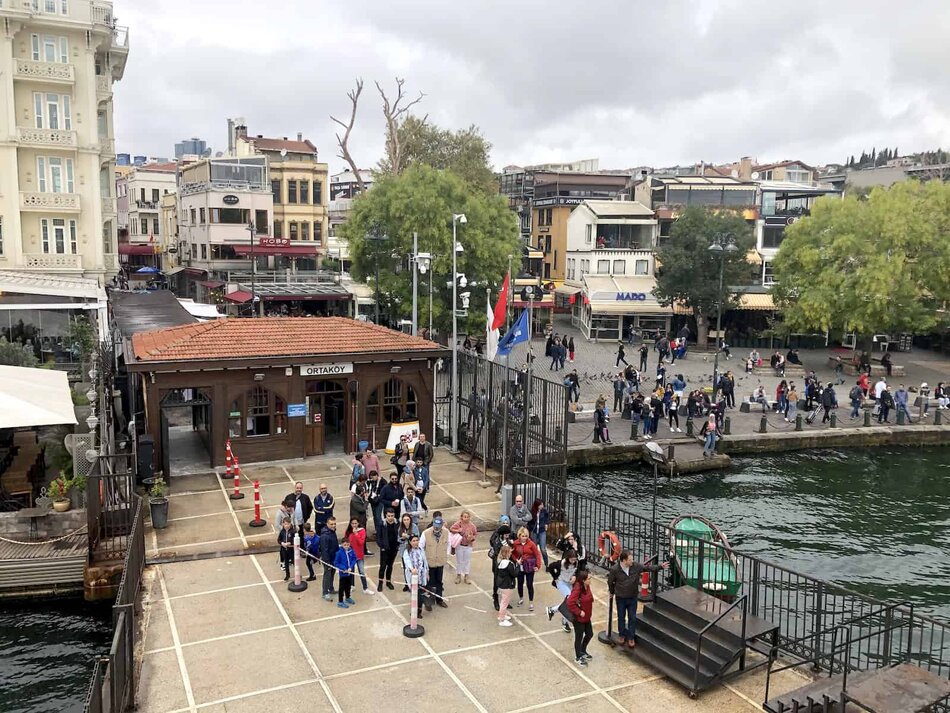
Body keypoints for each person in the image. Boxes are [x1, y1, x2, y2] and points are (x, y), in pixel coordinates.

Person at [608, 550, 669, 649]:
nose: (632, 561)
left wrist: (660, 566)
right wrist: (612, 592)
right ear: (624, 561)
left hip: (632, 597)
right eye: (630, 560)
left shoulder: (635, 566)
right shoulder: (615, 569)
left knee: (632, 618)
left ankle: (631, 637)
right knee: (621, 617)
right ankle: (622, 635)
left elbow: (648, 568)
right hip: (621, 598)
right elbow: (610, 581)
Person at [419, 512, 449, 610]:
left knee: (439, 582)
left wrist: (445, 555)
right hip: (429, 563)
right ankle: (428, 603)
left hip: (440, 562)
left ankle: (439, 599)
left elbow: (448, 545)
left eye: (438, 526)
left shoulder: (446, 532)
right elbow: (420, 547)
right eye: (435, 526)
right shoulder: (426, 533)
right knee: (429, 583)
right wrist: (424, 560)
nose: (436, 528)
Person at [565, 570, 595, 665]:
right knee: (579, 637)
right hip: (579, 618)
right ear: (583, 580)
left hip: (587, 616)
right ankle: (578, 657)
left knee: (589, 634)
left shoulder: (587, 586)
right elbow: (570, 603)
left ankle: (583, 651)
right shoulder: (577, 588)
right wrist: (579, 612)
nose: (590, 580)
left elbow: (588, 596)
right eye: (589, 578)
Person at [511, 526, 543, 611]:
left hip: (529, 566)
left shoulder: (531, 544)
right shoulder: (515, 543)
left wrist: (537, 565)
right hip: (520, 566)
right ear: (519, 536)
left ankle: (531, 602)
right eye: (523, 536)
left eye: (526, 536)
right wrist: (516, 560)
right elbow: (512, 553)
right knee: (520, 583)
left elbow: (537, 555)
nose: (524, 538)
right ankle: (521, 598)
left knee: (529, 584)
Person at [344, 518, 374, 595]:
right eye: (352, 523)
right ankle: (352, 585)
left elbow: (361, 542)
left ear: (358, 523)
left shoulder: (362, 531)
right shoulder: (348, 532)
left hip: (359, 555)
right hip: (351, 555)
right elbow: (345, 542)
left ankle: (365, 588)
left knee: (362, 572)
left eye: (355, 523)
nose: (354, 525)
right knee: (351, 571)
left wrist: (356, 534)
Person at [402, 534, 429, 619]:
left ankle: (419, 611)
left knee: (421, 594)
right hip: (413, 577)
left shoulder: (421, 550)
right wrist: (412, 569)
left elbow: (425, 561)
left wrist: (427, 571)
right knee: (414, 595)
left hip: (421, 576)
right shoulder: (407, 551)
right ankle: (414, 611)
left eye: (417, 540)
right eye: (413, 541)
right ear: (410, 542)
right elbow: (407, 561)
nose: (415, 542)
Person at [489, 516, 514, 610]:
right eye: (506, 534)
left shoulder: (507, 539)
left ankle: (505, 601)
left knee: (506, 583)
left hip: (507, 563)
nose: (508, 535)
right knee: (497, 582)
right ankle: (495, 599)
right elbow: (497, 551)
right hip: (498, 565)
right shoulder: (497, 541)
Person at [493, 544, 518, 627]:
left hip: (501, 585)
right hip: (507, 585)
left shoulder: (500, 562)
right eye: (510, 552)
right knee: (504, 602)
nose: (511, 554)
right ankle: (502, 619)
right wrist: (518, 565)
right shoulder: (509, 564)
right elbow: (514, 574)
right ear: (507, 553)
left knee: (504, 601)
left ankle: (503, 615)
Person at [450, 510, 477, 584]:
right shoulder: (458, 523)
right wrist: (458, 530)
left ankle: (466, 576)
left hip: (468, 546)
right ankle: (458, 575)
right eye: (465, 517)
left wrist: (472, 537)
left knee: (467, 561)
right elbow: (451, 529)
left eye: (468, 517)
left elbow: (475, 534)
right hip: (460, 545)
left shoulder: (472, 525)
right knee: (459, 561)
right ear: (461, 517)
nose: (466, 518)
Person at [376, 509, 400, 591]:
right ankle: (380, 583)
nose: (390, 518)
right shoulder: (381, 524)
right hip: (385, 549)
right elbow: (378, 537)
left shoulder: (397, 523)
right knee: (382, 566)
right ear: (386, 516)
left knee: (390, 566)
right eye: (389, 516)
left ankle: (388, 582)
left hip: (394, 548)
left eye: (392, 516)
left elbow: (399, 534)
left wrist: (398, 545)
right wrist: (382, 546)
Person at [318, 517, 339, 601]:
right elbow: (324, 549)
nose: (333, 525)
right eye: (331, 524)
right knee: (327, 575)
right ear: (327, 524)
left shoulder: (333, 532)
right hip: (328, 560)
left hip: (334, 557)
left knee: (332, 573)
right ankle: (325, 592)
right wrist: (327, 562)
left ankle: (331, 588)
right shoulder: (324, 536)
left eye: (334, 524)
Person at [397, 512, 420, 590]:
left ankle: (416, 583)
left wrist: (408, 536)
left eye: (407, 519)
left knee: (414, 566)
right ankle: (407, 583)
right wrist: (402, 538)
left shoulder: (414, 527)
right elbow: (398, 539)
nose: (406, 521)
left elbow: (417, 537)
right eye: (404, 520)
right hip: (404, 550)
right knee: (406, 568)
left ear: (410, 520)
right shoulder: (400, 528)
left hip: (413, 550)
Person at [333, 537, 357, 608]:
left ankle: (347, 597)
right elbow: (336, 563)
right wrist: (343, 568)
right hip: (343, 574)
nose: (346, 546)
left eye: (348, 545)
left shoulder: (351, 551)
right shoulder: (339, 553)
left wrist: (351, 567)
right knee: (342, 588)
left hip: (349, 573)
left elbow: (354, 559)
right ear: (342, 545)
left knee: (348, 586)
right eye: (345, 545)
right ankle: (340, 601)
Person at [364, 470, 383, 552]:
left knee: (378, 517)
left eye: (373, 477)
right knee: (375, 517)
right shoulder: (370, 482)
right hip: (373, 502)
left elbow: (382, 492)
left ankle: (380, 532)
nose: (372, 479)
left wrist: (378, 497)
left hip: (379, 502)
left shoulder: (382, 481)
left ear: (376, 475)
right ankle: (377, 530)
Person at [528, 498, 550, 567]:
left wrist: (546, 523)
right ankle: (534, 563)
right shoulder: (532, 512)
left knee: (543, 549)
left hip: (542, 531)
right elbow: (530, 522)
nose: (542, 506)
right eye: (541, 505)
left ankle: (546, 564)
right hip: (534, 532)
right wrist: (531, 528)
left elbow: (547, 517)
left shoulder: (544, 511)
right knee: (534, 548)